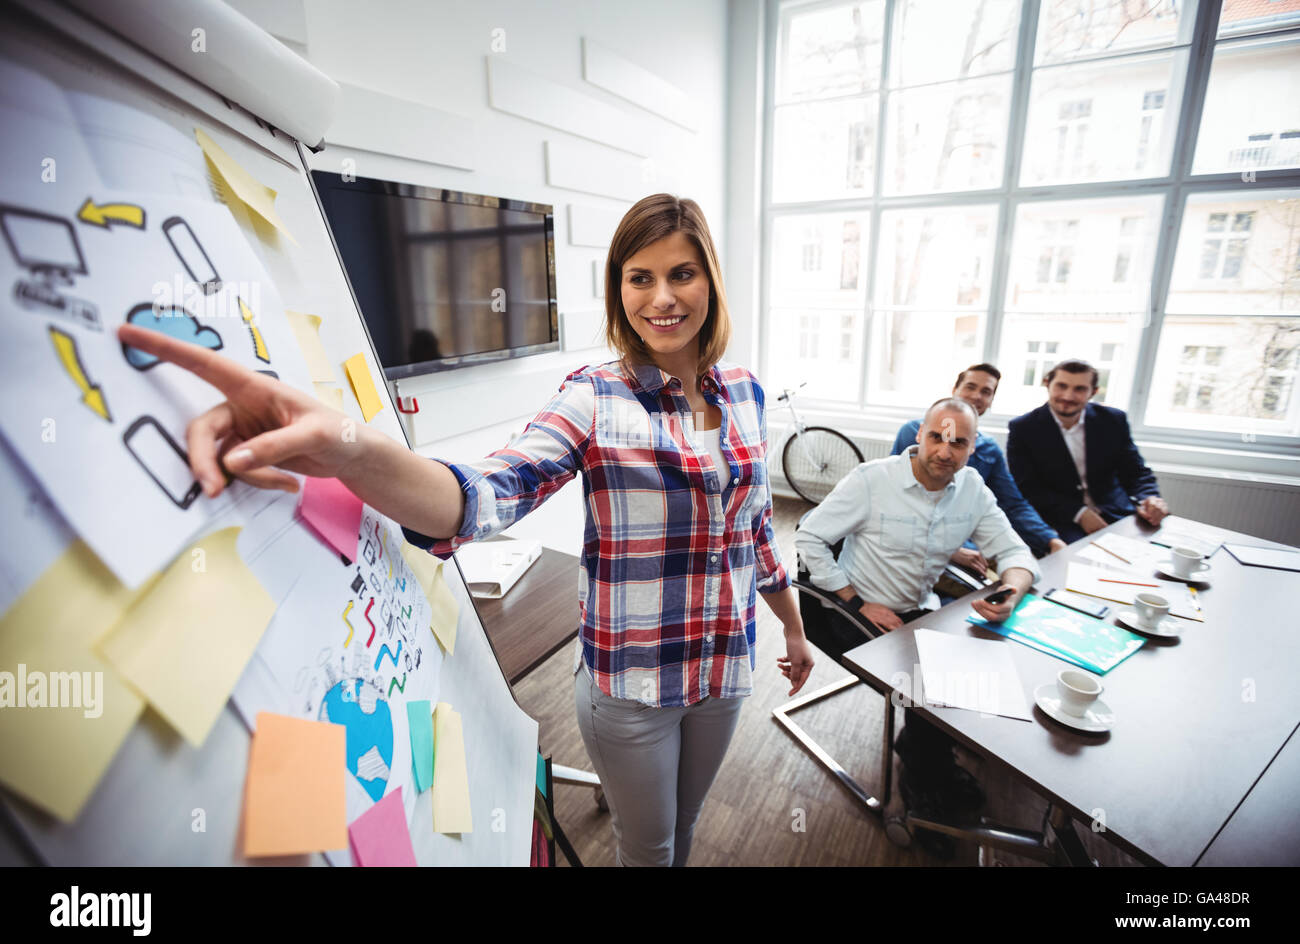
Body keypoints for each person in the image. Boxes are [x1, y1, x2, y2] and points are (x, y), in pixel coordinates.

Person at [117, 193, 815, 868]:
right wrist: (351, 447)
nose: (662, 297)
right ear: (619, 290)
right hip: (634, 687)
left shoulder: (743, 393)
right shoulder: (595, 396)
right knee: (649, 849)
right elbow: (487, 490)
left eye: (681, 274)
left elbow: (749, 531)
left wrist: (791, 627)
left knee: (686, 825)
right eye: (641, 277)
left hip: (725, 668)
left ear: (710, 282)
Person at [795, 397, 1039, 857]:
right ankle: (925, 794)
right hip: (852, 609)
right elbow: (808, 536)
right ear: (920, 434)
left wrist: (1013, 590)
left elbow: (1015, 553)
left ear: (972, 448)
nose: (945, 451)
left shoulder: (972, 490)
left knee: (976, 663)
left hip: (920, 609)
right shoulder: (874, 480)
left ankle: (926, 753)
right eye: (936, 437)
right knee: (928, 684)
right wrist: (855, 599)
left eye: (959, 442)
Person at [891, 364, 1066, 575]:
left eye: (986, 392)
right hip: (924, 547)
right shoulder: (914, 432)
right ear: (954, 389)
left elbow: (1013, 504)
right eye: (970, 387)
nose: (976, 396)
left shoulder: (989, 448)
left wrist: (1050, 539)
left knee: (1029, 572)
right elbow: (898, 501)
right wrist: (950, 551)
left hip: (975, 541)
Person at [1006, 359, 1168, 544]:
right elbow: (1028, 487)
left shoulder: (1113, 420)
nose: (1068, 396)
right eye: (1061, 386)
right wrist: (1079, 513)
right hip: (1062, 518)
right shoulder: (1023, 428)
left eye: (1079, 389)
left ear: (1093, 392)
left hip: (1116, 511)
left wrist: (1149, 498)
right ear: (1047, 384)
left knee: (1153, 552)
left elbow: (1136, 471)